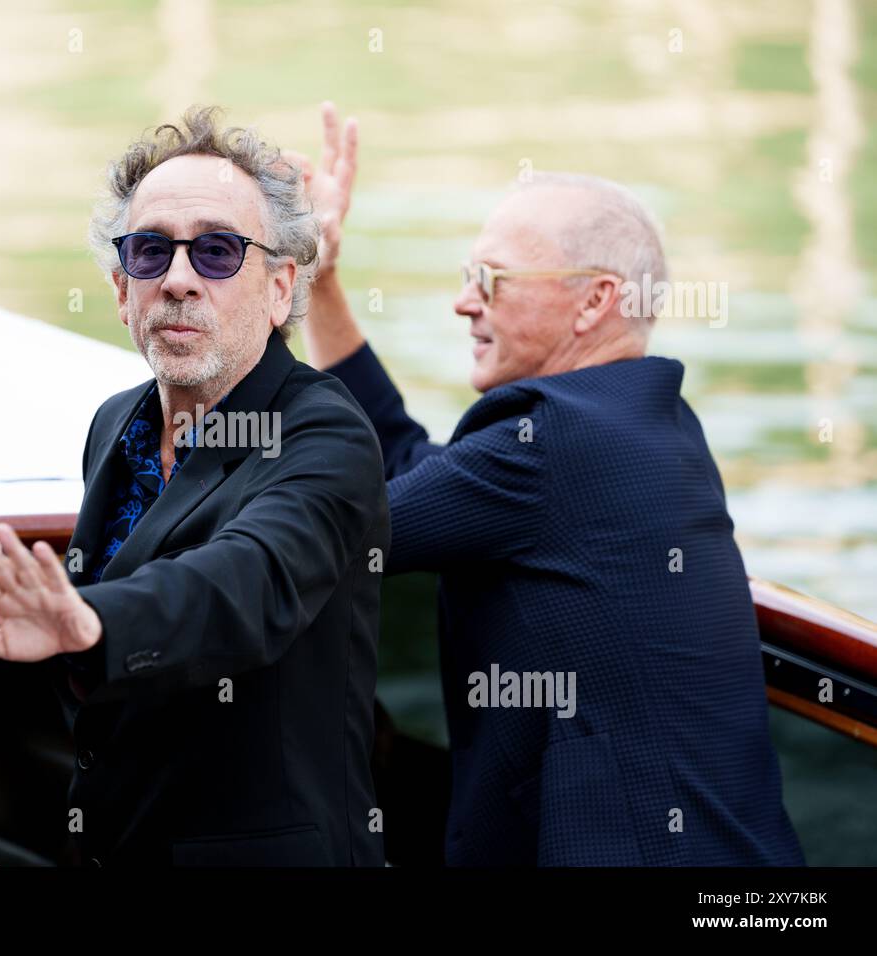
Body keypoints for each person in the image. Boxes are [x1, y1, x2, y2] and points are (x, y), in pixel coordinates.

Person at [0, 106, 388, 867]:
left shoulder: (324, 434)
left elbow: (244, 582)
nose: (178, 281)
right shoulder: (116, 424)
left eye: (219, 253)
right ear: (120, 289)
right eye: (149, 253)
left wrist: (92, 628)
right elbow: (108, 578)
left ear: (278, 287)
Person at [294, 103, 804, 866]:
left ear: (595, 300)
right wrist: (323, 282)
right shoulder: (646, 423)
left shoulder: (554, 442)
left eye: (491, 280)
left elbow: (321, 534)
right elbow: (406, 466)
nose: (464, 302)